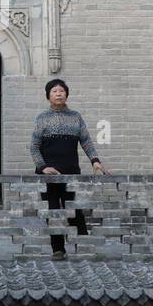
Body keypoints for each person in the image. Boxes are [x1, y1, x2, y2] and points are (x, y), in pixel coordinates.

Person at [29, 79, 107, 258]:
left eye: (62, 91)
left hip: (71, 172)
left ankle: (83, 245)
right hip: (49, 176)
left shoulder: (75, 117)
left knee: (76, 210)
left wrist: (95, 161)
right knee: (54, 211)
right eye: (54, 91)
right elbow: (34, 147)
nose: (58, 93)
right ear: (48, 96)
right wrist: (43, 167)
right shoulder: (42, 118)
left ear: (66, 94)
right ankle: (58, 249)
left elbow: (86, 142)